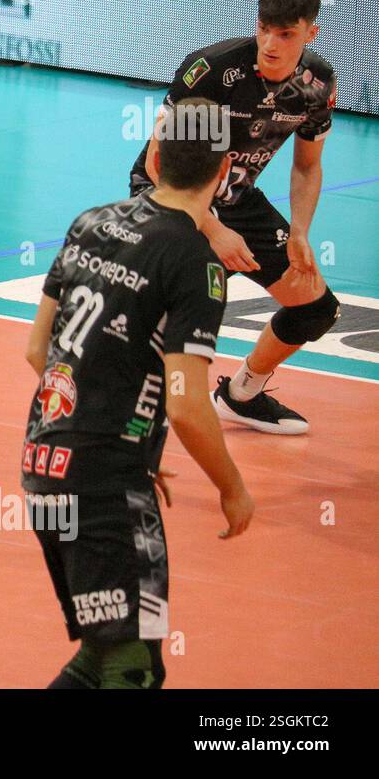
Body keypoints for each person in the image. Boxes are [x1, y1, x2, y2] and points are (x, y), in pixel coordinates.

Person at [26, 98, 255, 689]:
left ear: (154, 156)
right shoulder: (196, 265)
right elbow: (185, 403)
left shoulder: (89, 221)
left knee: (103, 656)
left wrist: (108, 434)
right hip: (102, 480)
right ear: (225, 171)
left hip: (43, 464)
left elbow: (39, 352)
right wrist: (232, 487)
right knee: (134, 667)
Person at [128, 0, 339, 434]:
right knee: (178, 308)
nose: (271, 42)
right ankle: (125, 406)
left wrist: (300, 230)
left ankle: (241, 393)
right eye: (264, 28)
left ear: (310, 32)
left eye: (285, 33)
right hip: (172, 196)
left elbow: (306, 166)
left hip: (236, 198)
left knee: (317, 308)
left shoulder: (317, 85)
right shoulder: (213, 68)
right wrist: (211, 227)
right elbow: (159, 164)